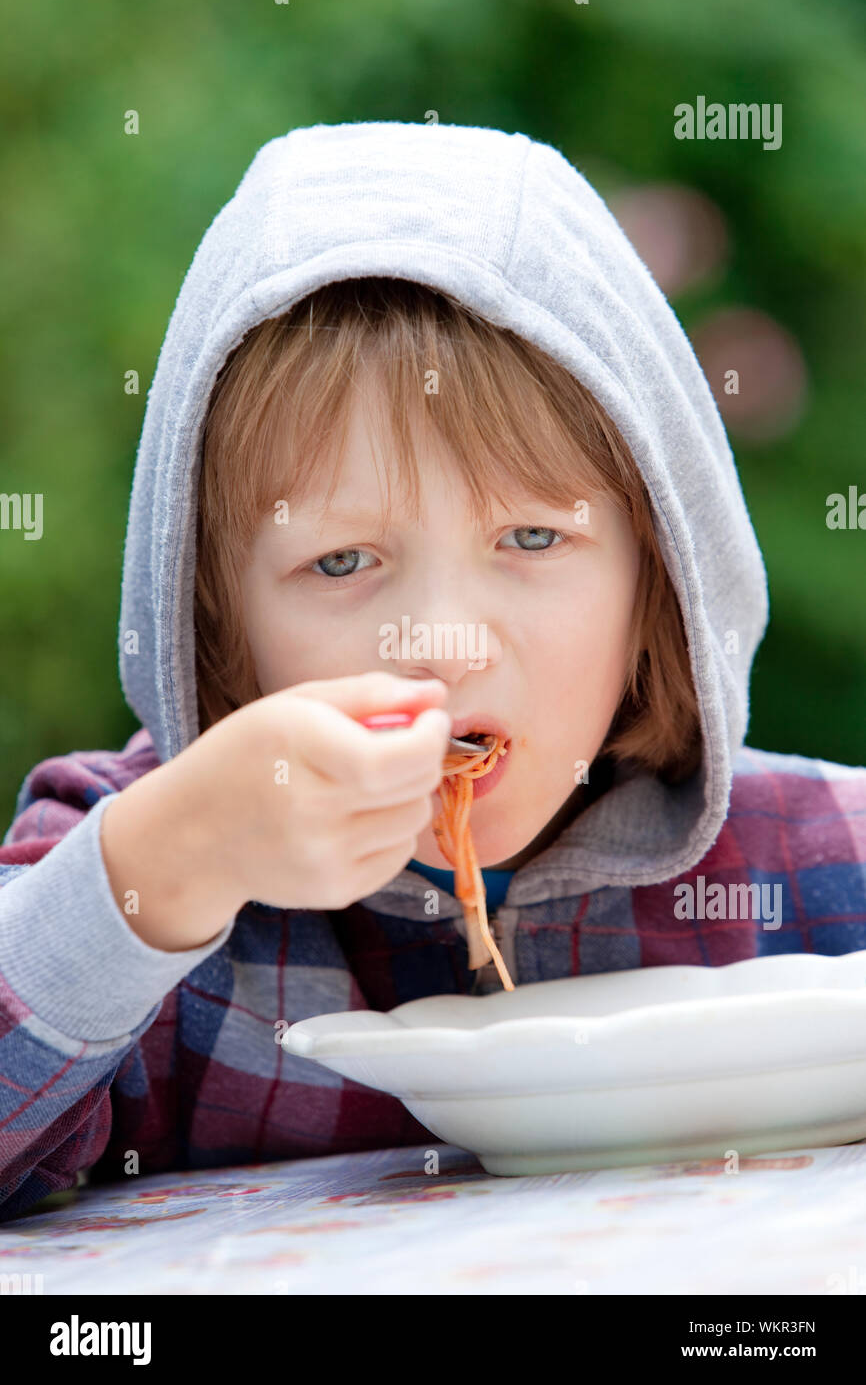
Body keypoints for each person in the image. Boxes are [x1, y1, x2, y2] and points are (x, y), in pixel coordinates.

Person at [1, 121, 863, 1222]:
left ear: (658, 584)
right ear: (218, 627)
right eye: (343, 560)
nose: (444, 643)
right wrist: (167, 864)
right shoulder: (146, 874)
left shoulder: (805, 865)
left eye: (532, 540)